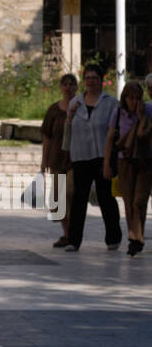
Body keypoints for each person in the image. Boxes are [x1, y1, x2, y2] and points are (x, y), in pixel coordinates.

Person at [64, 63, 120, 252]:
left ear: (101, 80)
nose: (90, 81)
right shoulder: (75, 103)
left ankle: (113, 238)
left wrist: (111, 160)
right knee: (79, 199)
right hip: (81, 156)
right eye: (87, 78)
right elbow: (67, 133)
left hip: (103, 157)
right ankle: (73, 240)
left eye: (94, 78)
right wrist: (70, 117)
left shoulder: (111, 103)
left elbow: (117, 132)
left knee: (106, 197)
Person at [103, 80, 151, 257]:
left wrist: (141, 116)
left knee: (140, 201)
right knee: (129, 202)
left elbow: (145, 134)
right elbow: (110, 139)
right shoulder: (118, 113)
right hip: (124, 162)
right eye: (130, 98)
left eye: (137, 98)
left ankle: (136, 237)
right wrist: (106, 163)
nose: (134, 101)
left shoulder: (148, 110)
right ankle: (135, 238)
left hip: (145, 162)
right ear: (125, 98)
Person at [40, 73, 78, 247]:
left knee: (70, 192)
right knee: (58, 199)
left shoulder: (80, 108)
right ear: (61, 87)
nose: (68, 87)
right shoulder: (53, 110)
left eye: (71, 84)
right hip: (56, 158)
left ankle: (72, 233)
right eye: (65, 84)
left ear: (76, 87)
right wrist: (44, 160)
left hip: (75, 158)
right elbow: (46, 136)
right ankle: (67, 234)